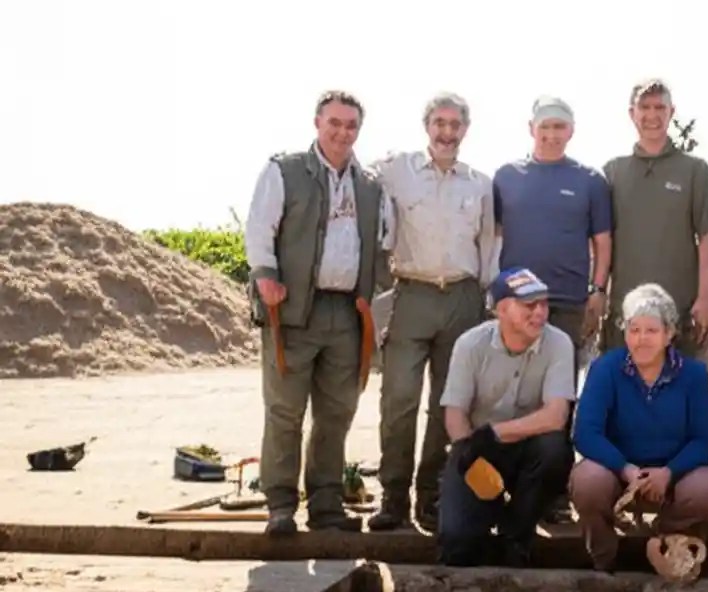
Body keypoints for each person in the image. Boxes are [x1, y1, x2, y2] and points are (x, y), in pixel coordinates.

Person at [242, 90, 391, 536]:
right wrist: (264, 274)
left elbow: (382, 245)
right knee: (285, 410)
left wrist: (376, 294)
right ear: (317, 123)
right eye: (335, 123)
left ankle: (326, 504)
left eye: (351, 126)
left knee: (336, 412)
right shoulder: (284, 170)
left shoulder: (369, 185)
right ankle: (281, 506)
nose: (342, 132)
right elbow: (259, 227)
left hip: (347, 312)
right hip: (291, 307)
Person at [367, 92, 498, 533]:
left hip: (462, 297)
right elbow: (362, 182)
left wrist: (484, 298)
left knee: (450, 402)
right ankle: (393, 496)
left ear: (465, 129)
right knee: (399, 399)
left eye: (454, 125)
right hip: (412, 293)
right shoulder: (396, 171)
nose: (446, 132)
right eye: (439, 123)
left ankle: (433, 494)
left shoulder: (480, 183)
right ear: (427, 126)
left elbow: (488, 243)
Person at [493, 95, 612, 524]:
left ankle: (554, 495)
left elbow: (602, 241)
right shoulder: (506, 176)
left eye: (559, 127)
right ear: (531, 129)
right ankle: (506, 490)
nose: (551, 134)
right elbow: (491, 235)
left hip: (567, 302)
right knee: (512, 396)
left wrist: (598, 290)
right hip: (515, 305)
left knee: (560, 397)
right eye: (544, 127)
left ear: (571, 131)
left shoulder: (589, 180)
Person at [569, 283, 708, 573]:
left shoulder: (694, 374)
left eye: (651, 331)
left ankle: (663, 535)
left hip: (675, 473)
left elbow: (703, 440)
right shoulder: (605, 369)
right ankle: (604, 556)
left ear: (669, 334)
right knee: (587, 481)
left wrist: (669, 472)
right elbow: (585, 433)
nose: (641, 339)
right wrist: (624, 468)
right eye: (634, 329)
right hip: (618, 470)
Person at [434, 267, 577, 567]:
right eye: (529, 305)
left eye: (544, 304)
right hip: (479, 451)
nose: (540, 312)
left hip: (529, 451)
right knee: (456, 546)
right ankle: (488, 525)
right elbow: (455, 413)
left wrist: (495, 433)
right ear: (501, 309)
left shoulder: (560, 343)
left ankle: (518, 536)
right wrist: (470, 453)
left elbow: (556, 416)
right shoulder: (470, 344)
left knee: (554, 450)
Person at [601, 78, 708, 359]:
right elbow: (601, 243)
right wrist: (598, 293)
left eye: (659, 107)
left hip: (680, 310)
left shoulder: (695, 170)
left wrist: (704, 299)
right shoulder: (612, 172)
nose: (651, 115)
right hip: (624, 312)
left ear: (671, 112)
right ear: (632, 113)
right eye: (644, 107)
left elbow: (707, 240)